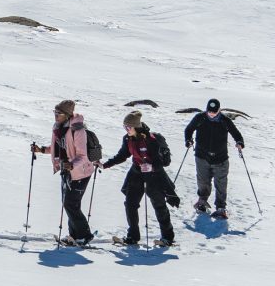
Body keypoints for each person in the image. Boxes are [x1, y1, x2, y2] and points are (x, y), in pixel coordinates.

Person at [101, 111, 179, 247]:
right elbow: (122, 155)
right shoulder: (127, 139)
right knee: (130, 204)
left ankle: (167, 237)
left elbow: (162, 163)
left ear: (136, 127)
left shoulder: (151, 140)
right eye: (125, 127)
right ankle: (133, 236)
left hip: (154, 176)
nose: (126, 130)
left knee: (159, 205)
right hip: (136, 173)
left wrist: (151, 167)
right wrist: (105, 164)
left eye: (128, 127)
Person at [30, 99, 95, 246]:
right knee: (69, 204)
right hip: (66, 170)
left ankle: (84, 235)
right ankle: (74, 235)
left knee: (71, 204)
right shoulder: (59, 127)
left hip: (80, 172)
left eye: (58, 113)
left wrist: (72, 165)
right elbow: (58, 148)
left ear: (67, 114)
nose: (56, 115)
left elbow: (83, 156)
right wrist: (42, 150)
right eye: (55, 112)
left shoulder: (78, 130)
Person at [183, 97, 245, 219]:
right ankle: (202, 202)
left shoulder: (224, 120)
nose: (211, 114)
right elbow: (189, 129)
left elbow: (235, 133)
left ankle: (221, 208)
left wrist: (239, 142)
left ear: (218, 110)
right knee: (203, 181)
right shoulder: (200, 118)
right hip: (202, 156)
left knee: (221, 183)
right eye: (209, 111)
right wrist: (188, 140)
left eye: (214, 112)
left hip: (220, 158)